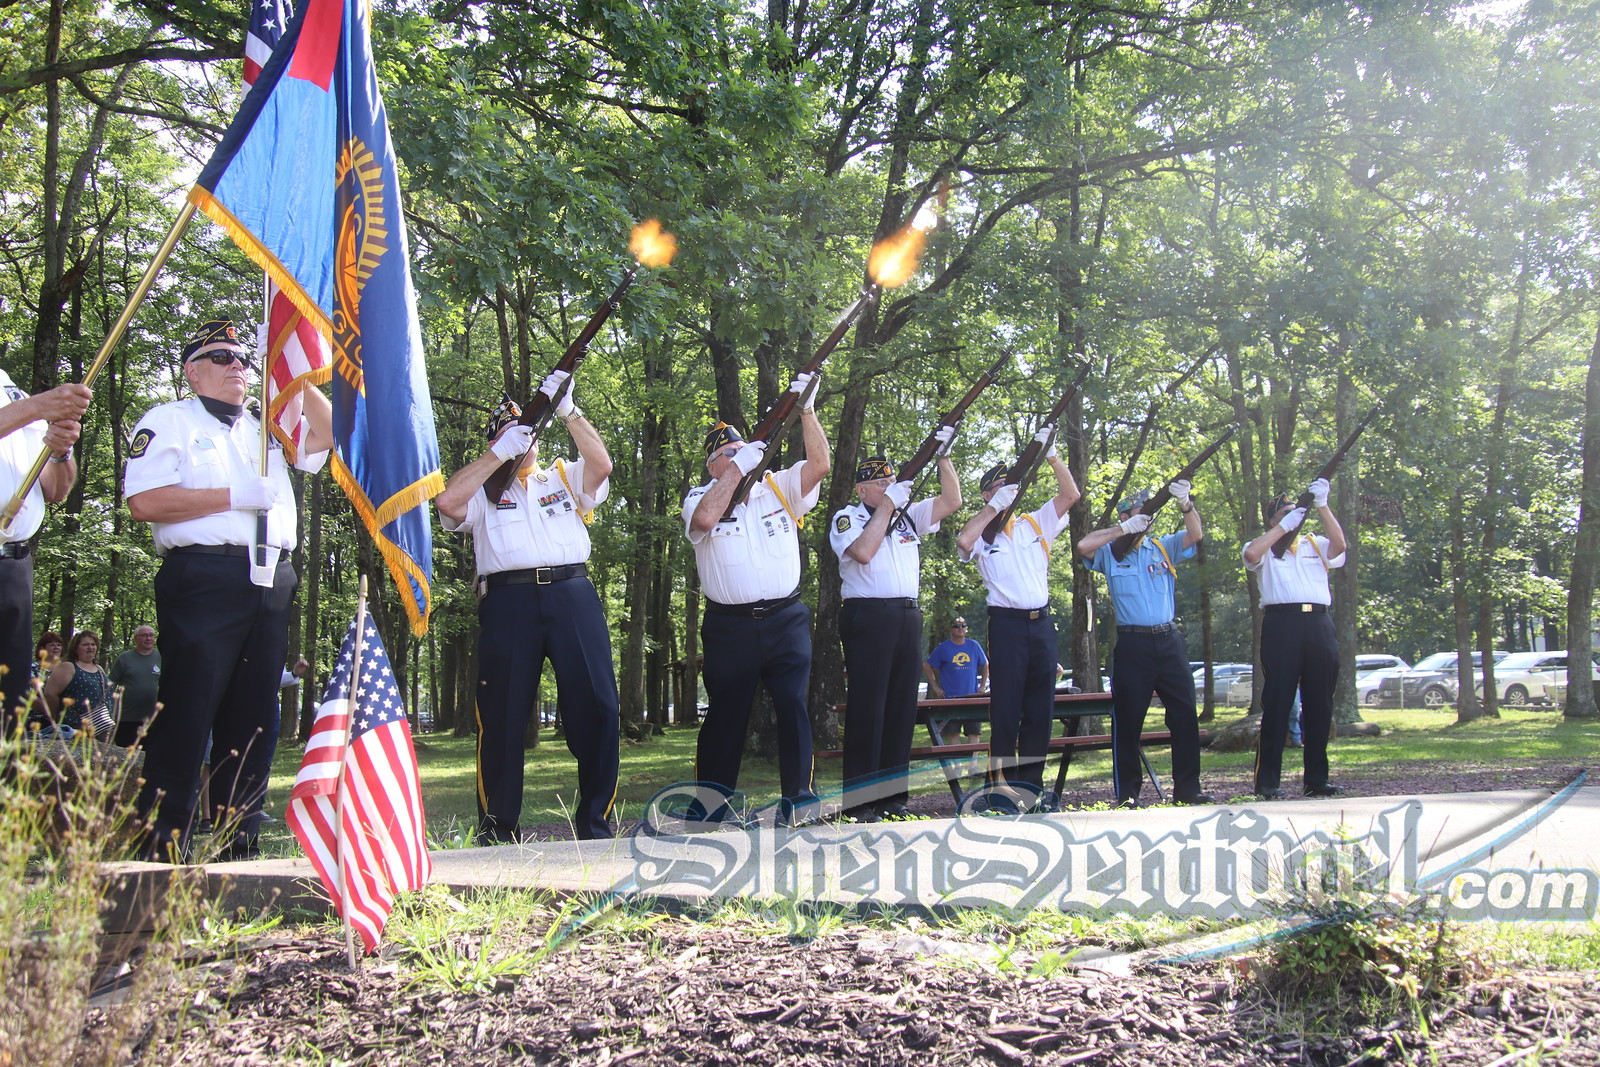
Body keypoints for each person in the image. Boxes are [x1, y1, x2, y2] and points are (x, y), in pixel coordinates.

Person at [124, 318, 332, 860]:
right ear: (192, 373)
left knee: (254, 719)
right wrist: (233, 494)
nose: (236, 365)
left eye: (242, 357)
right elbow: (144, 502)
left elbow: (330, 436)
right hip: (204, 577)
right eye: (220, 357)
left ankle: (236, 845)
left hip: (270, 578)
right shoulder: (169, 421)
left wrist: (298, 379)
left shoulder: (265, 426)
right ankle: (161, 849)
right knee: (190, 712)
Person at [436, 373, 620, 842]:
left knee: (598, 705)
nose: (527, 439)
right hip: (509, 600)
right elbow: (448, 501)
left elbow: (601, 465)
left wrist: (568, 409)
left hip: (572, 593)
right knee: (501, 714)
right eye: (515, 432)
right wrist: (498, 453)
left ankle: (596, 822)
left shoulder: (560, 476)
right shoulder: (483, 490)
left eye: (530, 431)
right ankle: (498, 830)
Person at [683, 372, 829, 826]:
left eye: (741, 450)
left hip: (786, 617)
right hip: (731, 626)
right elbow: (706, 518)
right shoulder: (698, 495)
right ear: (712, 465)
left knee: (792, 704)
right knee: (726, 715)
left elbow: (820, 464)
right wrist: (735, 471)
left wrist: (806, 409)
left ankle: (799, 800)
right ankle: (710, 807)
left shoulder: (778, 487)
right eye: (726, 454)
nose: (736, 457)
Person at [829, 436, 960, 820]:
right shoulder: (848, 517)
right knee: (869, 708)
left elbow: (952, 502)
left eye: (891, 482)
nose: (889, 487)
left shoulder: (907, 515)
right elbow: (865, 552)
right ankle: (858, 801)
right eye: (880, 483)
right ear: (861, 488)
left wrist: (944, 457)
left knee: (901, 710)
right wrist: (887, 504)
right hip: (868, 616)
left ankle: (891, 799)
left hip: (906, 616)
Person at [954, 433, 1079, 806]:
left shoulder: (1033, 521)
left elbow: (1070, 496)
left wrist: (1053, 458)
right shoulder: (983, 528)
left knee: (1040, 709)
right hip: (1006, 624)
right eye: (996, 488)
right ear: (986, 495)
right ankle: (1001, 788)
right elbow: (963, 542)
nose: (1005, 491)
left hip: (1041, 624)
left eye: (1009, 486)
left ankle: (1031, 788)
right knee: (1006, 709)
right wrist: (994, 509)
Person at [1076, 481, 1212, 808]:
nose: (1147, 518)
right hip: (1132, 643)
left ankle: (1188, 789)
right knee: (1128, 719)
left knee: (1184, 715)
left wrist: (1186, 504)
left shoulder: (1161, 547)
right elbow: (1083, 546)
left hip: (1168, 640)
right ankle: (1128, 794)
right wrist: (1122, 528)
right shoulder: (1111, 551)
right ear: (1127, 515)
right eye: (1141, 511)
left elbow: (1195, 535)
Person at [1242, 479, 1346, 799]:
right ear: (1274, 520)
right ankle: (1267, 782)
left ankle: (1317, 779)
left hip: (1318, 622)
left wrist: (1322, 505)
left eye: (1296, 513)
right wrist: (1280, 528)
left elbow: (1340, 546)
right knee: (1277, 703)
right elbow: (1251, 554)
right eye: (1287, 513)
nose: (1294, 518)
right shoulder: (1266, 546)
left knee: (1319, 703)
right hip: (1281, 623)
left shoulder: (1315, 543)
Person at [0, 373, 89, 723]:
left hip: (15, 564)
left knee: (12, 696)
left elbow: (55, 490)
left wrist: (60, 450)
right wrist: (34, 407)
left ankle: (8, 776)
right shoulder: (24, 403)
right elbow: (27, 410)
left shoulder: (10, 387)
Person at [39, 630, 115, 738]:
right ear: (76, 648)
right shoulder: (68, 667)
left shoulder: (99, 669)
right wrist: (55, 716)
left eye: (93, 644)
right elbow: (50, 694)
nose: (90, 647)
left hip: (101, 726)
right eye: (85, 644)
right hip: (74, 728)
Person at [924, 617, 989, 741]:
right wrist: (935, 686)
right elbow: (927, 666)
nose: (960, 628)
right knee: (953, 733)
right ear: (951, 630)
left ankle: (973, 761)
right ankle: (957, 761)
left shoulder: (974, 645)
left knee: (974, 733)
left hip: (972, 697)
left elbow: (985, 664)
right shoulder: (943, 648)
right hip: (951, 699)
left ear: (966, 629)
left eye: (963, 626)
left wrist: (982, 686)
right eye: (956, 626)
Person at [109, 624, 161, 747]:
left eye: (151, 635)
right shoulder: (125, 658)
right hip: (127, 718)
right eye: (144, 635)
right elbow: (110, 684)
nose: (148, 638)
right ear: (136, 639)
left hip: (154, 719)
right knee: (126, 755)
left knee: (150, 757)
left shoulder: (161, 657)